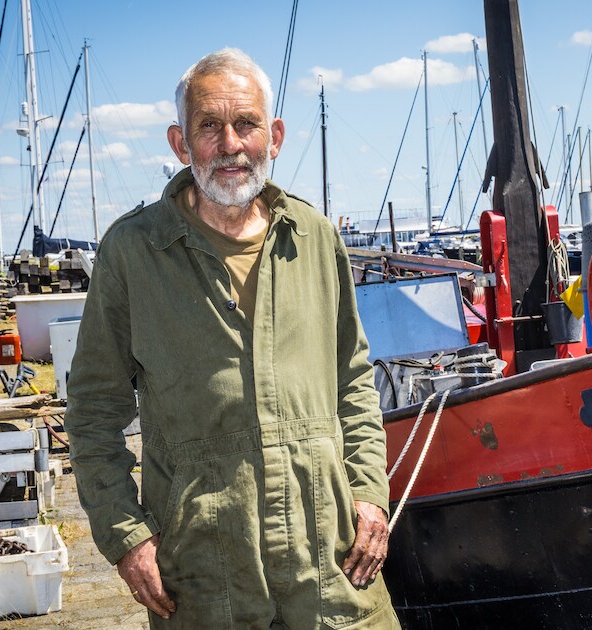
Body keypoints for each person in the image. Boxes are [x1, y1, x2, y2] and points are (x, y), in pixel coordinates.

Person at [64, 48, 399, 628]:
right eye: (208, 127)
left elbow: (353, 381)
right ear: (180, 143)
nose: (230, 145)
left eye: (245, 124)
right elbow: (93, 409)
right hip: (202, 575)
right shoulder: (132, 252)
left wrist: (369, 492)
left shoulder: (315, 237)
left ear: (275, 137)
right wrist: (125, 534)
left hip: (331, 562)